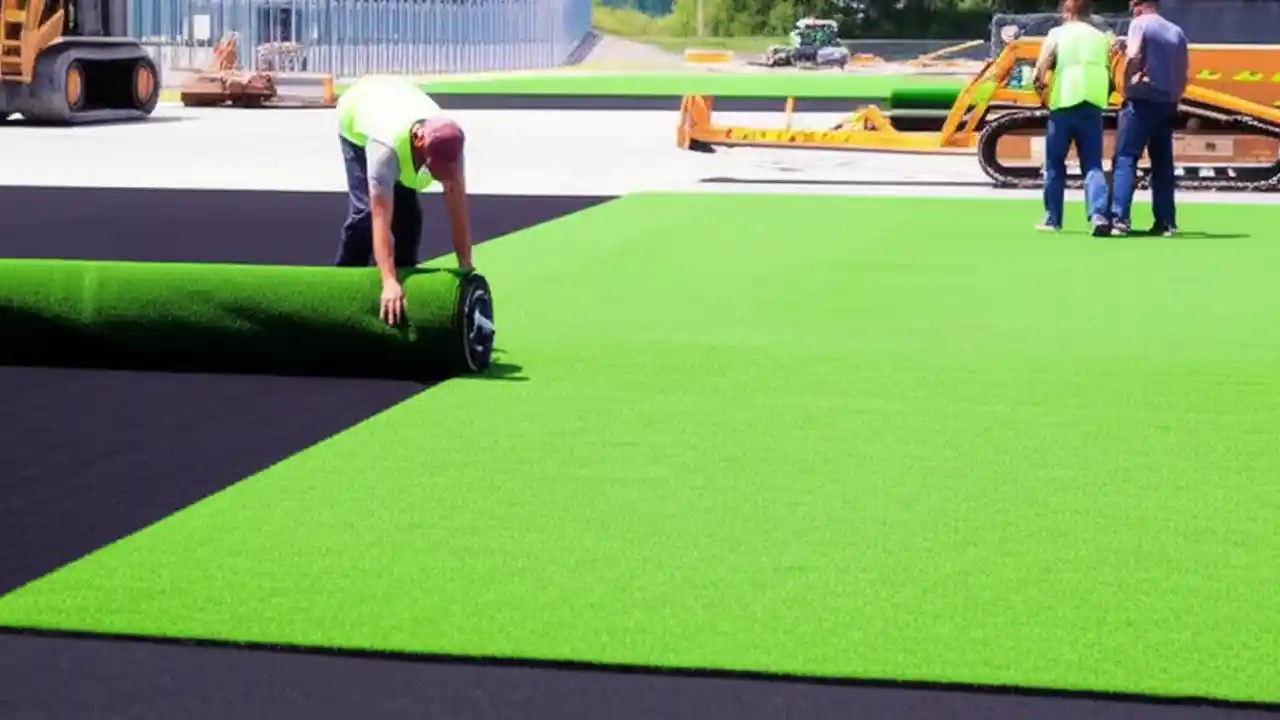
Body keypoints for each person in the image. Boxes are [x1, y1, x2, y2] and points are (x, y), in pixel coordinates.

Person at [335, 75, 474, 325]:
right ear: (418, 141)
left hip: (399, 101)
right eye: (431, 167)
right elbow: (381, 221)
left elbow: (458, 212)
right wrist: (388, 281)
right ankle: (343, 280)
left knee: (409, 218)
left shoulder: (451, 146)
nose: (433, 174)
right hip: (357, 115)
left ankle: (405, 283)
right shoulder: (384, 151)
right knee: (364, 217)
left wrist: (466, 266)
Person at [1032, 0, 1114, 236]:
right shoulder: (1101, 37)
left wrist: (1042, 97)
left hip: (1064, 101)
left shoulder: (1057, 34)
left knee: (1055, 163)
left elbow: (1039, 71)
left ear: (1067, 11)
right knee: (1092, 164)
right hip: (1093, 102)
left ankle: (1053, 218)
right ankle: (1098, 215)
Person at [1108, 0, 1188, 237]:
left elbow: (1133, 55)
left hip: (1142, 102)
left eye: (1133, 4)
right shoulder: (1176, 31)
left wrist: (1126, 82)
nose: (1132, 9)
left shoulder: (1140, 24)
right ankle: (1166, 221)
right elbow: (1183, 69)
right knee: (1163, 163)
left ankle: (1119, 219)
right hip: (1167, 102)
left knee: (1125, 158)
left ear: (1142, 5)